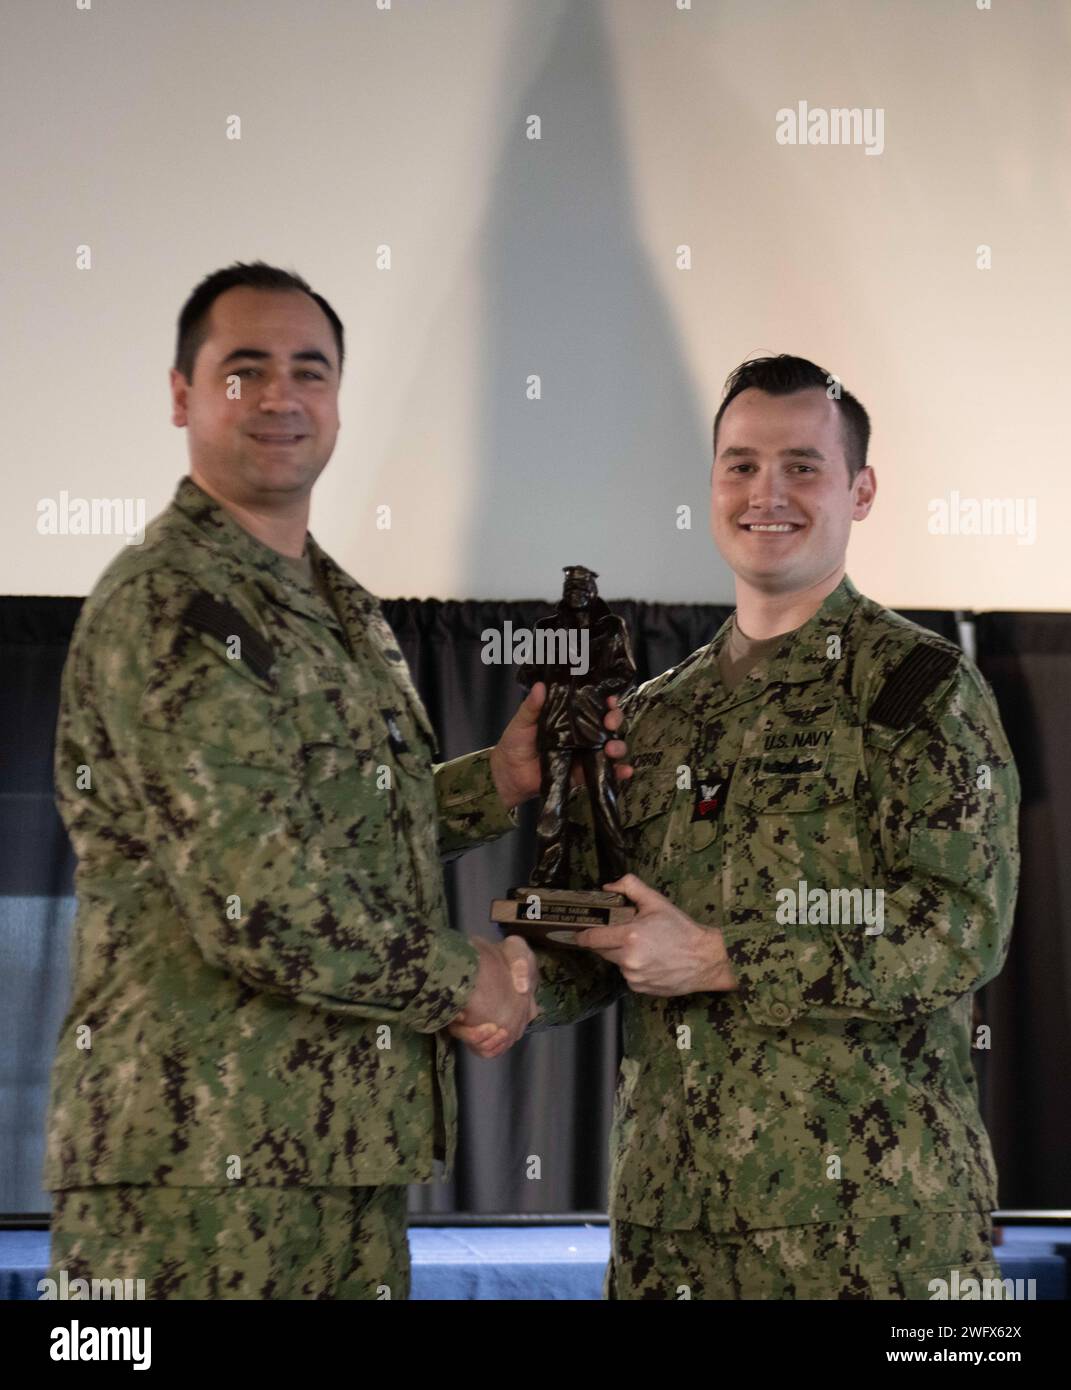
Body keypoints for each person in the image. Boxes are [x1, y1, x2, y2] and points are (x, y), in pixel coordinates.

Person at [45, 260, 626, 1300]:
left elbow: (338, 827)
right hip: (199, 1179)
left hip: (333, 1157)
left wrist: (493, 780)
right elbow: (260, 902)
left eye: (309, 371)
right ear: (182, 394)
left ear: (338, 402)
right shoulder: (175, 606)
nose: (280, 397)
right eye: (244, 370)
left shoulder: (336, 606)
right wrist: (474, 981)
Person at [527, 355, 1021, 1300]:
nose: (766, 493)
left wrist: (723, 957)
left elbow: (960, 930)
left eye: (802, 465)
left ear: (859, 489)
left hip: (875, 1240)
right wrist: (511, 980)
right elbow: (615, 931)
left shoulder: (918, 689)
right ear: (711, 484)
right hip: (671, 1233)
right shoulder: (657, 711)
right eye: (741, 465)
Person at [517, 565, 636, 888]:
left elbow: (625, 672)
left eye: (582, 589)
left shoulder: (610, 628)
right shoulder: (546, 629)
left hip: (593, 724)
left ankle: (616, 876)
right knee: (551, 806)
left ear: (592, 593)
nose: (576, 595)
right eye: (571, 589)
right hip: (555, 724)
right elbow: (526, 673)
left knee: (604, 801)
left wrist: (594, 688)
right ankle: (549, 877)